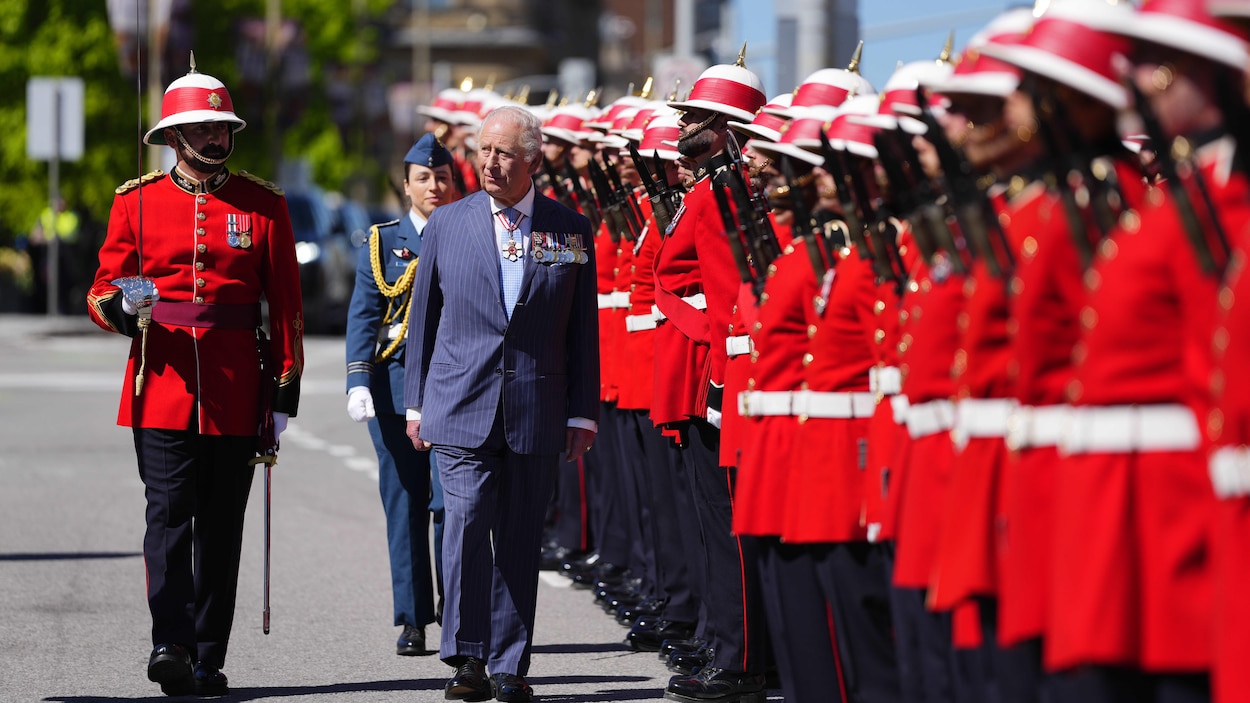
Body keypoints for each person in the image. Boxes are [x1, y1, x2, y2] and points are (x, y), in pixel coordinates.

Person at [85, 59, 303, 697]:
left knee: (221, 524)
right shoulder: (136, 201)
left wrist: (283, 389)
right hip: (161, 380)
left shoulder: (264, 204)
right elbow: (101, 289)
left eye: (222, 127)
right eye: (202, 129)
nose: (215, 137)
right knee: (168, 516)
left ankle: (208, 654)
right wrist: (124, 308)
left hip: (236, 386)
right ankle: (171, 642)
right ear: (175, 137)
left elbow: (285, 305)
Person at [404, 104, 600, 703]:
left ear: (533, 161)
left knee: (519, 538)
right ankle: (467, 657)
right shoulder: (448, 223)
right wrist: (415, 404)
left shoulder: (568, 228)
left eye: (504, 153)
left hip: (535, 407)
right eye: (484, 150)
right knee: (465, 524)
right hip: (460, 402)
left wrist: (582, 411)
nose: (489, 162)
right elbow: (423, 321)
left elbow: (582, 328)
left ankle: (510, 664)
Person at [345, 132, 459, 657]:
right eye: (423, 178)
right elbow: (364, 315)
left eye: (442, 177)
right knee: (405, 502)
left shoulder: (468, 234)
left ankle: (456, 610)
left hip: (453, 389)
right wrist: (357, 379)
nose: (434, 186)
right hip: (393, 388)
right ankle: (413, 618)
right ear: (406, 186)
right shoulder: (382, 242)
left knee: (451, 505)